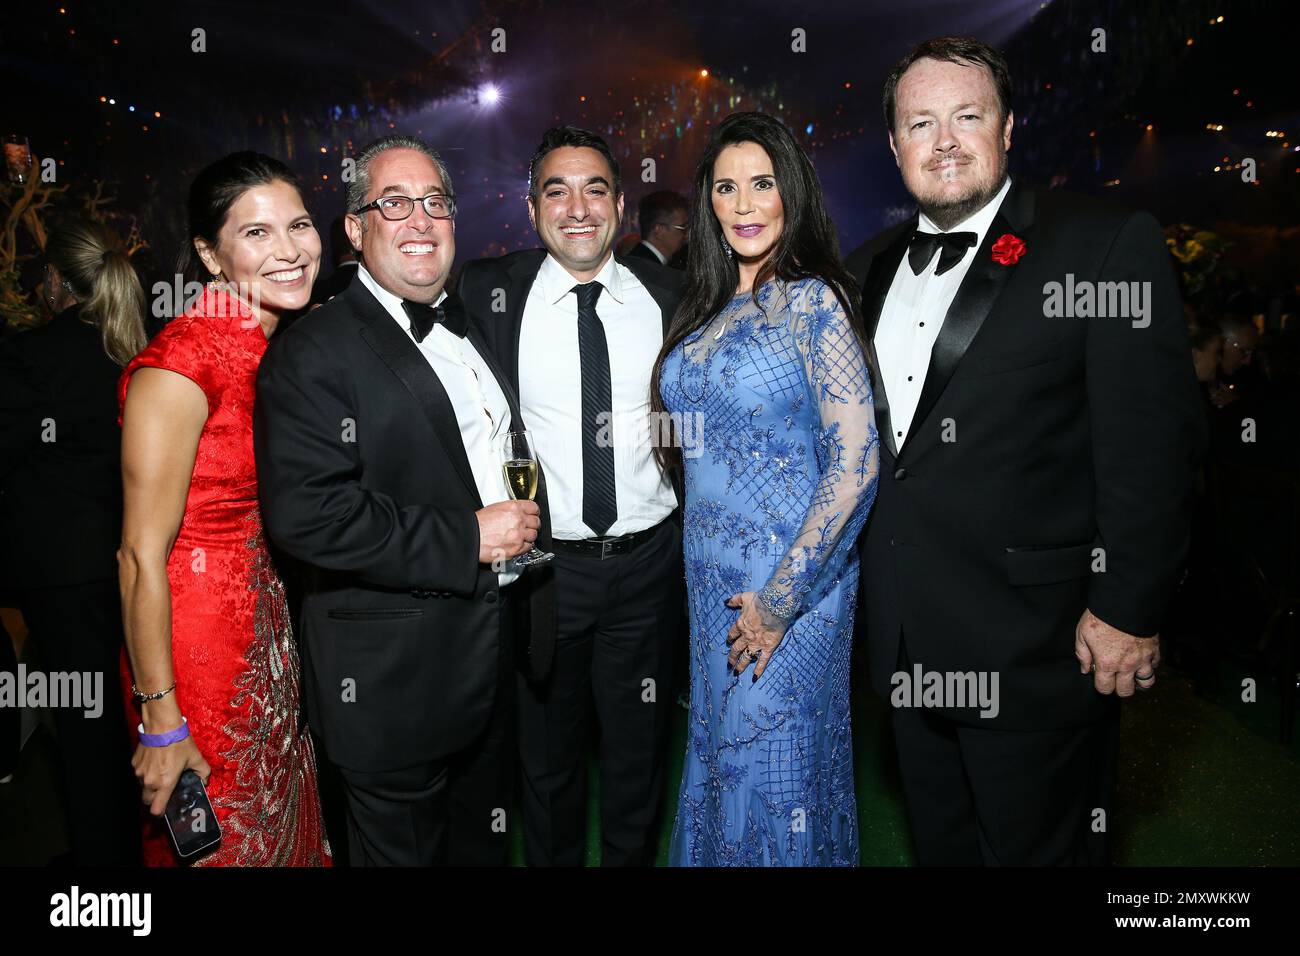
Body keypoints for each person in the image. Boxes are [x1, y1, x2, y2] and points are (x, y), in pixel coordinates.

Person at [847, 36, 1204, 865]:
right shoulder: (865, 269)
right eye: (920, 122)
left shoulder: (1100, 242)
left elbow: (1153, 443)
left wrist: (1128, 608)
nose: (943, 140)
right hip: (906, 645)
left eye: (966, 116)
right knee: (944, 848)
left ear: (1008, 129)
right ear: (895, 145)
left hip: (1040, 648)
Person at [256, 135, 540, 866]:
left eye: (436, 203)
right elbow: (307, 516)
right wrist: (465, 539)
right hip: (388, 687)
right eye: (394, 203)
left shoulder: (472, 322)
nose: (420, 220)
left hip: (489, 661)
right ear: (355, 229)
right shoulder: (313, 348)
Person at [652, 111, 878, 866]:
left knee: (774, 782)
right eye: (725, 187)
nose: (745, 205)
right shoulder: (705, 305)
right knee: (721, 765)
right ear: (707, 203)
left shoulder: (815, 302)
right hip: (711, 584)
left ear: (793, 193)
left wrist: (781, 600)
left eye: (762, 183)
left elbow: (856, 464)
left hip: (791, 589)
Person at [458, 126, 686, 866]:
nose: (577, 207)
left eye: (595, 189)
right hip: (546, 571)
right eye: (557, 189)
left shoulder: (673, 296)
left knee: (637, 756)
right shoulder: (489, 293)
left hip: (650, 567)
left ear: (622, 206)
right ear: (532, 209)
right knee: (547, 765)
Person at [118, 152, 330, 866]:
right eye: (258, 234)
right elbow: (139, 554)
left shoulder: (280, 345)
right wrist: (160, 718)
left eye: (298, 225)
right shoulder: (180, 367)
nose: (290, 249)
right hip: (193, 648)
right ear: (209, 254)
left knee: (283, 818)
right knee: (224, 839)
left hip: (267, 628)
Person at [0, 218, 147, 864]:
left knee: (86, 730)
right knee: (137, 712)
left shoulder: (31, 358)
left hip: (63, 579)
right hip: (136, 566)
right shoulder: (133, 348)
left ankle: (103, 875)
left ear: (56, 281)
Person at [627, 190, 688, 269]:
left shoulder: (639, 261)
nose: (686, 235)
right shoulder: (647, 269)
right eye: (682, 228)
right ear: (659, 230)